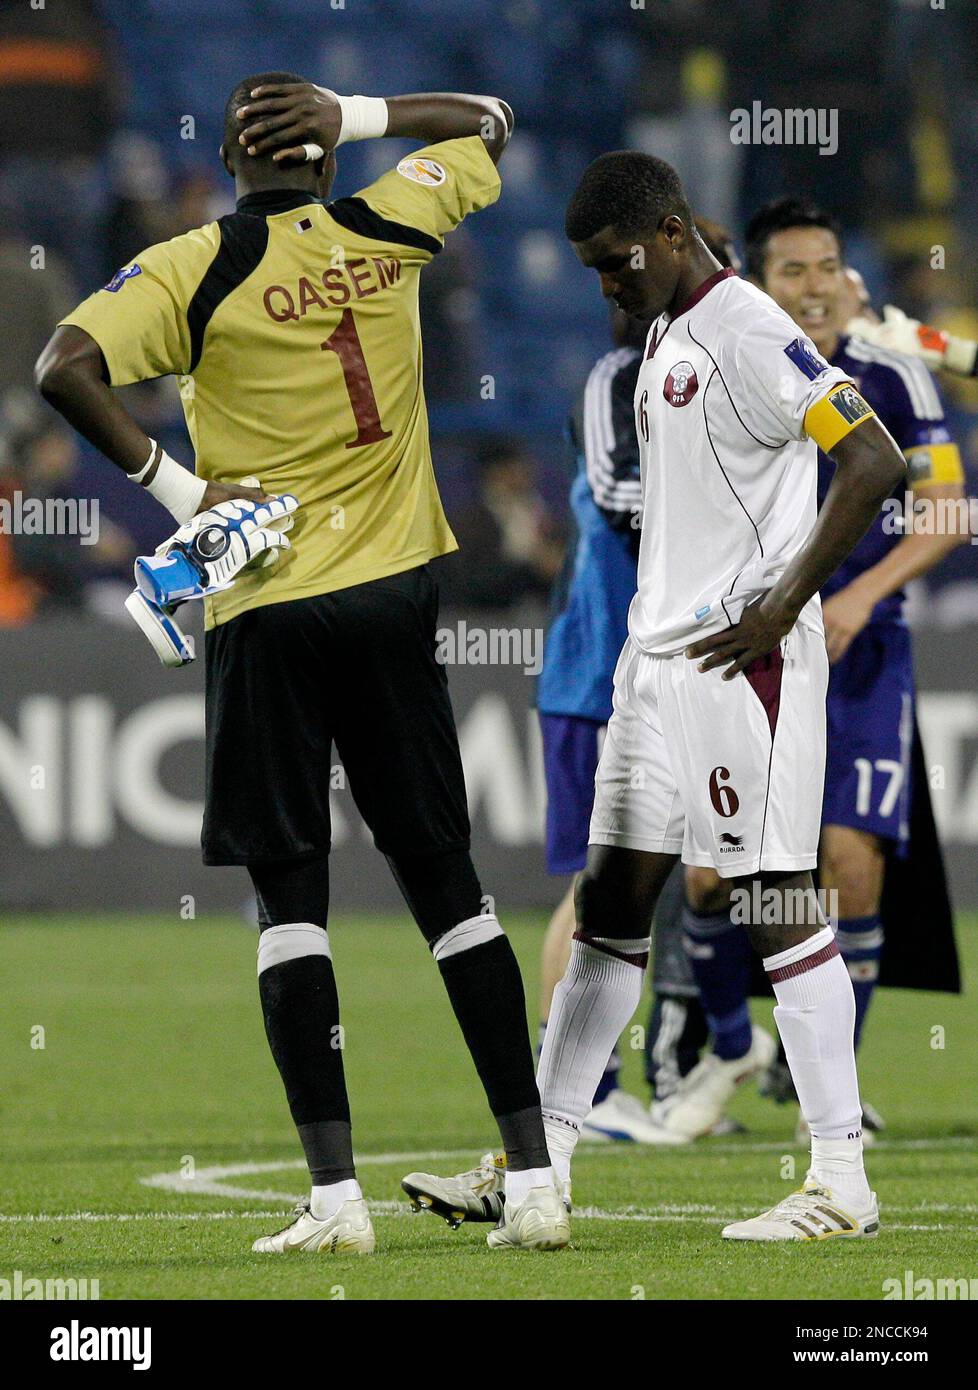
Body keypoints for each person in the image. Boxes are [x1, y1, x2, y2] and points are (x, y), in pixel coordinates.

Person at [36, 74, 571, 1256]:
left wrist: (180, 493)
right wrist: (366, 110)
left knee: (289, 904)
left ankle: (335, 1203)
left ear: (230, 164)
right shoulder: (394, 217)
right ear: (324, 155)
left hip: (268, 608)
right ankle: (535, 1180)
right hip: (392, 593)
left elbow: (61, 365)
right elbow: (488, 120)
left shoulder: (191, 266)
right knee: (451, 888)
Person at [407, 151, 909, 1242]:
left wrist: (781, 606)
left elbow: (873, 460)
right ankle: (537, 1165)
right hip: (655, 666)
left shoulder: (745, 328)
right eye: (590, 270)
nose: (604, 285)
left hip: (743, 662)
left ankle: (839, 1181)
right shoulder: (663, 337)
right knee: (612, 903)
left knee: (777, 899)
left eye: (615, 263)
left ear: (673, 233)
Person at [659, 199, 966, 1145]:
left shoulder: (895, 372)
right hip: (748, 643)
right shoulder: (733, 363)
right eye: (794, 270)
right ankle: (727, 1044)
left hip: (863, 652)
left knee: (849, 868)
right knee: (711, 875)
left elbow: (949, 512)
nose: (818, 284)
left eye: (829, 265)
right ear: (758, 280)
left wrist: (860, 596)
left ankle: (827, 1095)